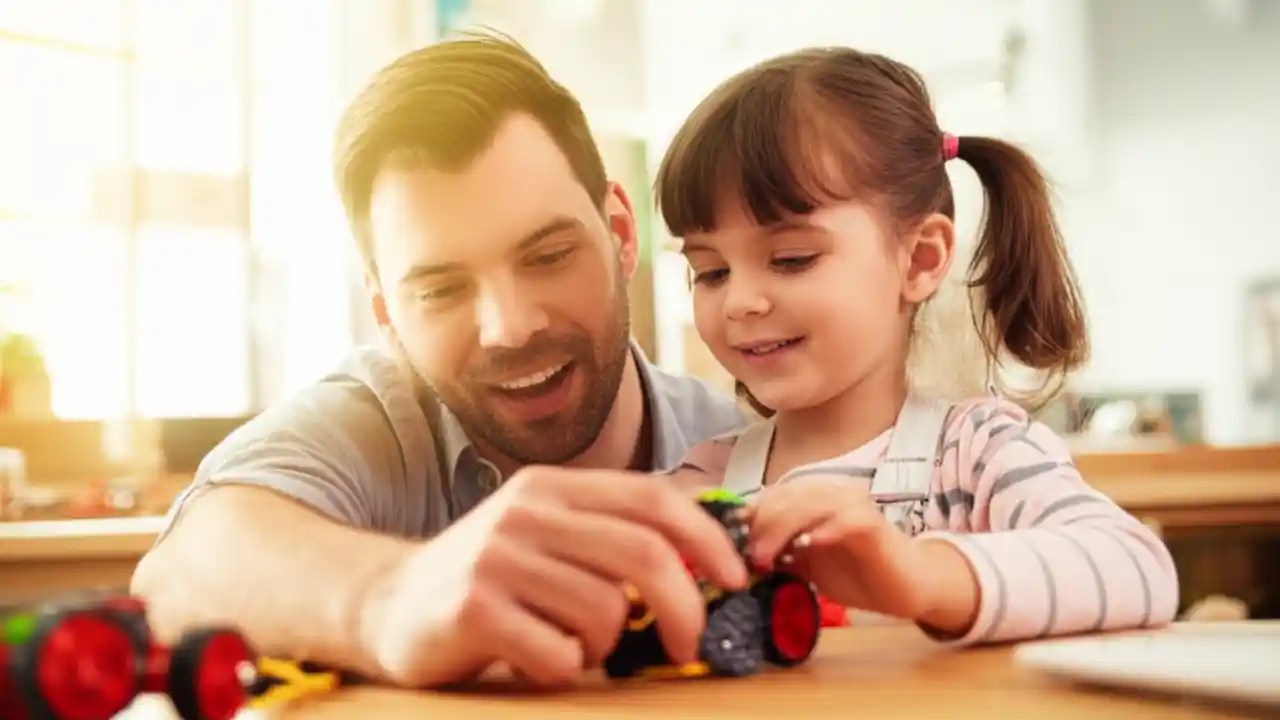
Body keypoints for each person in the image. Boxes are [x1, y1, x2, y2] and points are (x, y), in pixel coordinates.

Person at [130, 34, 750, 688]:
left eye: (548, 257)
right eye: (440, 290)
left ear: (621, 236)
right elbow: (180, 573)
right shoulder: (366, 425)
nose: (508, 328)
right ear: (387, 316)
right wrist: (386, 598)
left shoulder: (749, 443)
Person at [655, 47, 1179, 642]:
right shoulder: (708, 474)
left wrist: (919, 575)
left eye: (791, 259)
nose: (739, 302)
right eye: (711, 272)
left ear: (921, 259)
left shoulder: (977, 453)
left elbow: (1139, 569)